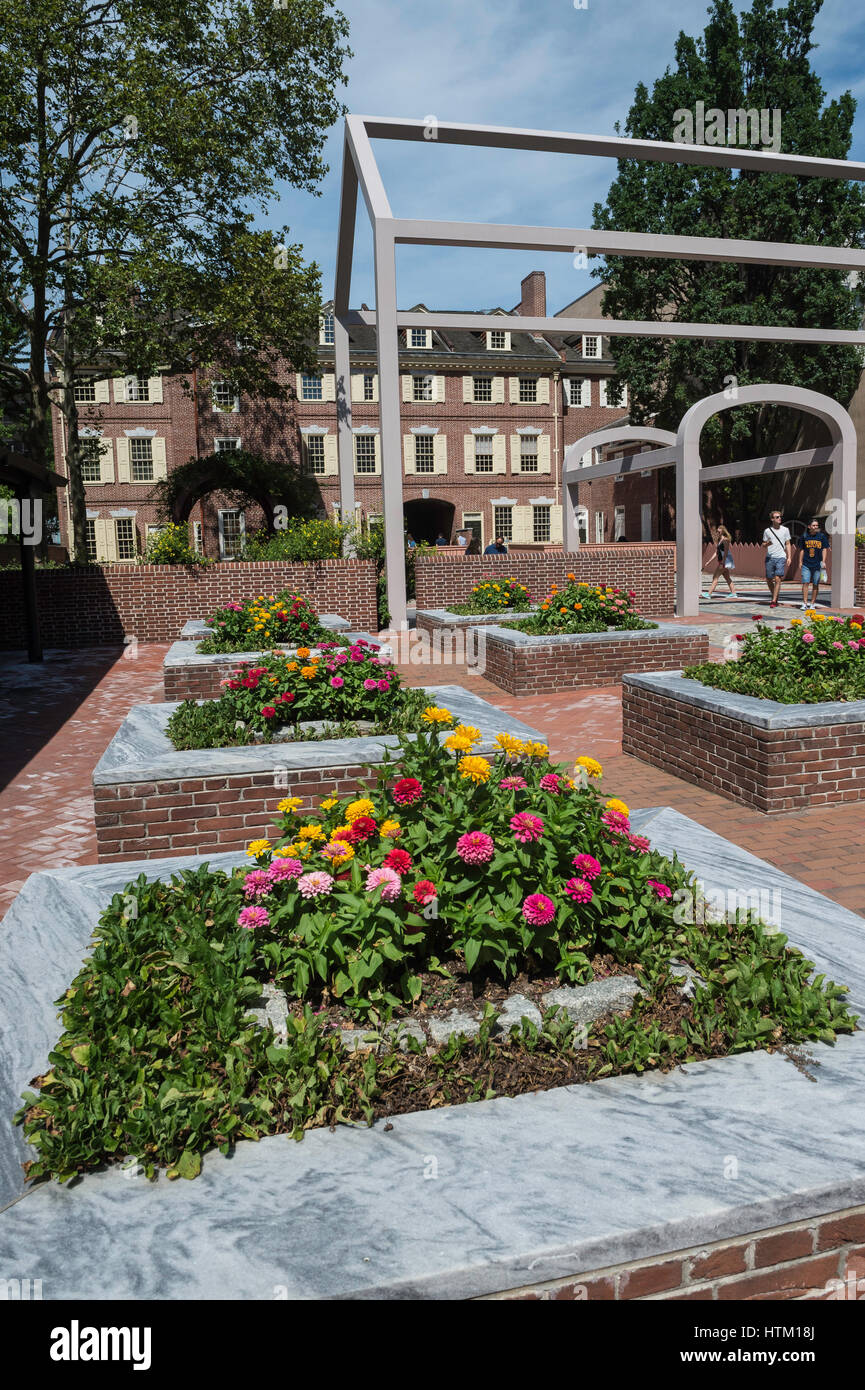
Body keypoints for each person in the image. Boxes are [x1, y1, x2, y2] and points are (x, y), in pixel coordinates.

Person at [761, 508, 793, 609]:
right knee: (769, 579)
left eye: (780, 517)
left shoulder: (785, 530)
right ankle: (775, 594)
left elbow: (788, 543)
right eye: (777, 517)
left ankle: (774, 600)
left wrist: (789, 557)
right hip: (770, 557)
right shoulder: (767, 531)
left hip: (781, 557)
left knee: (778, 578)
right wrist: (767, 544)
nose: (779, 518)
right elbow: (763, 544)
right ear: (772, 519)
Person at [797, 517, 830, 609]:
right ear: (809, 526)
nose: (815, 527)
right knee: (805, 583)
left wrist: (823, 561)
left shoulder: (822, 536)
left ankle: (812, 603)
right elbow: (802, 550)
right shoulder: (804, 536)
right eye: (814, 525)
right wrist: (800, 561)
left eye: (817, 525)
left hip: (817, 564)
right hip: (806, 564)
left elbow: (824, 549)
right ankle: (804, 603)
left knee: (815, 584)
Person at [705, 524, 738, 600]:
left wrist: (723, 562)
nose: (718, 532)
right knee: (727, 578)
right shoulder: (720, 541)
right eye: (717, 531)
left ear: (723, 531)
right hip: (722, 561)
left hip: (724, 562)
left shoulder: (726, 540)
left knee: (715, 577)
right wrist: (708, 561)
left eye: (719, 531)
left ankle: (709, 594)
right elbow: (716, 552)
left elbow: (726, 552)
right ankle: (733, 593)